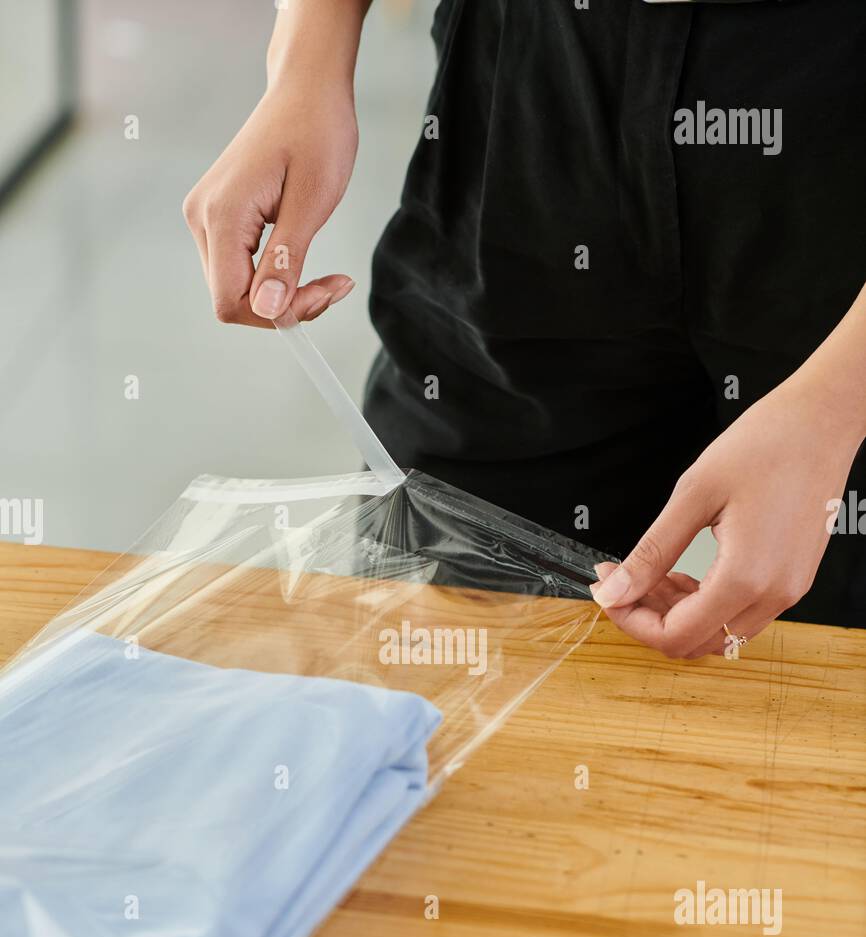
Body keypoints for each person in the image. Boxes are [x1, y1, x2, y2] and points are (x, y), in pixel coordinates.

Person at [182, 0, 866, 657]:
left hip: (834, 118)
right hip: (529, 100)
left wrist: (837, 404)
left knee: (831, 690)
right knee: (421, 632)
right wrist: (308, 62)